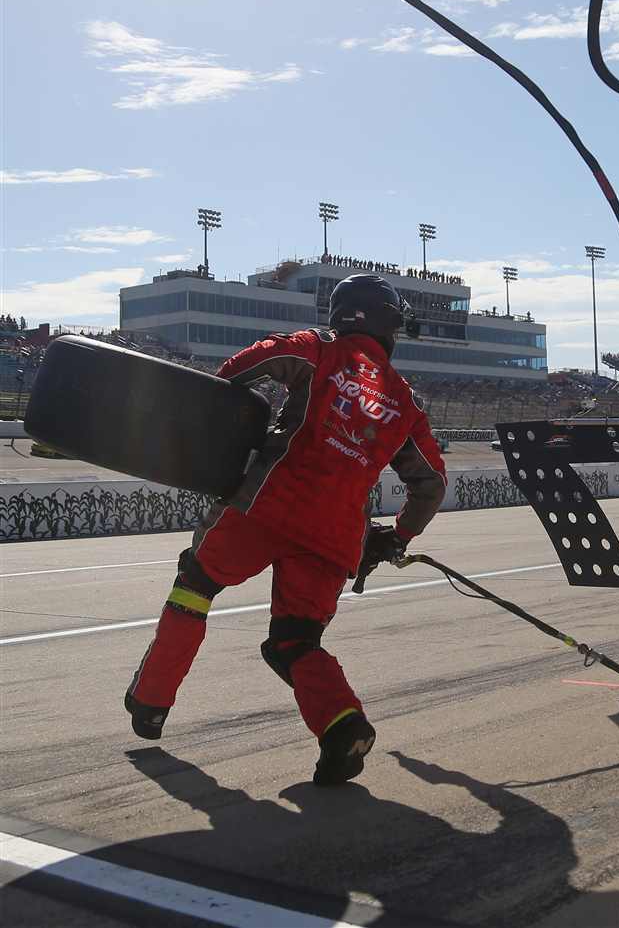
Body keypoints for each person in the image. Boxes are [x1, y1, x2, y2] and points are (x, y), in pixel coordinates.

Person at [125, 275, 447, 784]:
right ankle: (344, 727)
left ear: (341, 313)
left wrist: (234, 422)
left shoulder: (318, 349)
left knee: (194, 588)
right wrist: (396, 539)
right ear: (390, 324)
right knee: (295, 642)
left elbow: (242, 367)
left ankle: (150, 702)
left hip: (266, 507)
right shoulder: (406, 403)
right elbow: (431, 486)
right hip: (336, 536)